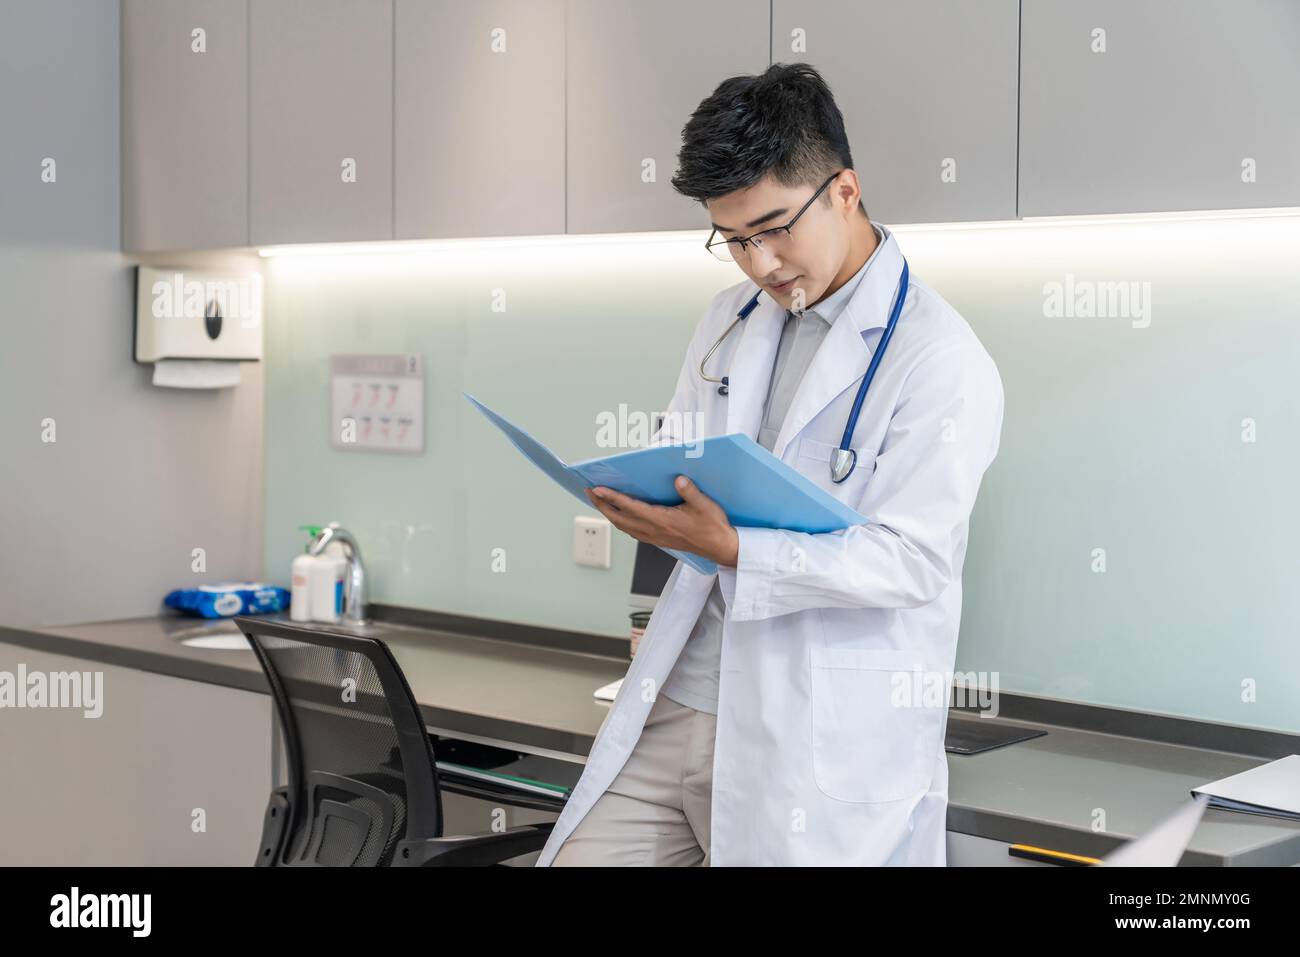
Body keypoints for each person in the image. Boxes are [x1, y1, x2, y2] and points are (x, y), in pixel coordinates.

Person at [540, 62, 1004, 866]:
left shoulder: (940, 358)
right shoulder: (729, 321)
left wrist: (736, 549)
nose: (759, 263)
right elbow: (687, 470)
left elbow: (914, 559)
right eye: (736, 239)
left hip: (810, 733)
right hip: (679, 698)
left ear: (845, 191)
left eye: (776, 226)